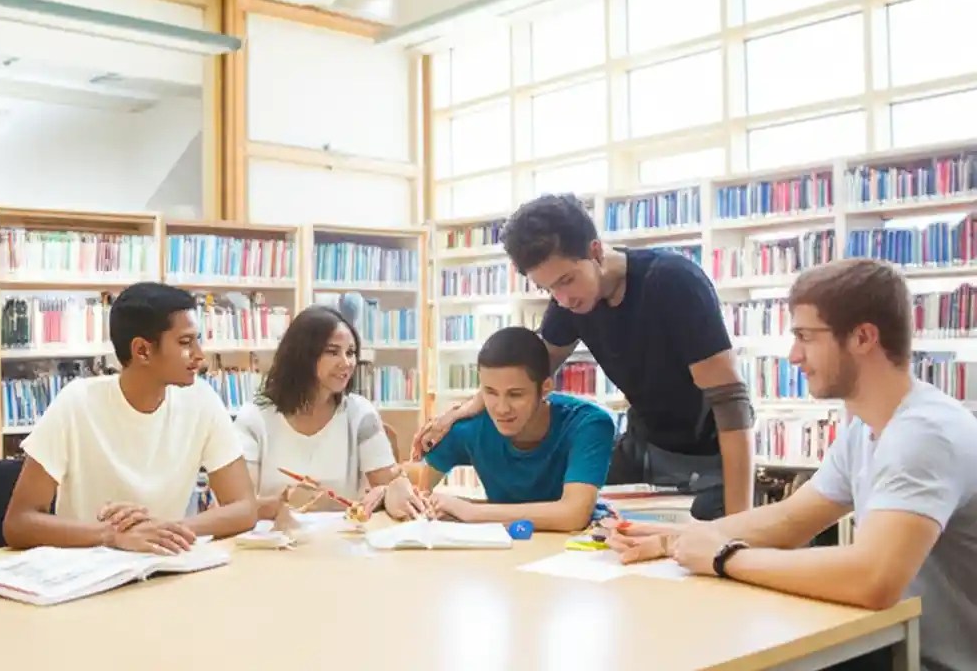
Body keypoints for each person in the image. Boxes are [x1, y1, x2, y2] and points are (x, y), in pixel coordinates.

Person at [606, 259, 977, 671]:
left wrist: (723, 557)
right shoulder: (867, 430)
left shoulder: (924, 434)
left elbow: (874, 578)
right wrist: (675, 540)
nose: (794, 356)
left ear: (863, 337)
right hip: (889, 644)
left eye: (805, 336)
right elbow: (790, 520)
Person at [413, 195, 754, 520]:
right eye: (549, 290)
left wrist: (742, 519)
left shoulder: (672, 281)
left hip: (712, 459)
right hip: (643, 447)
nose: (562, 299)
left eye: (566, 281)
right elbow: (527, 370)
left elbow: (730, 400)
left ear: (595, 252)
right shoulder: (570, 303)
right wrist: (462, 411)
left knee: (705, 536)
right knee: (586, 520)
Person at [3, 282, 257, 555]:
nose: (200, 355)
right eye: (185, 342)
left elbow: (244, 508)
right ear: (142, 351)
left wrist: (165, 531)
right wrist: (110, 535)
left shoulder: (201, 400)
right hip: (88, 568)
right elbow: (19, 524)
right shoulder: (76, 403)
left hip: (162, 565)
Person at [406, 326, 617, 531]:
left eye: (515, 394)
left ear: (545, 388)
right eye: (490, 392)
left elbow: (573, 514)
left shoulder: (588, 424)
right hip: (504, 550)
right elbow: (419, 489)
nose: (501, 409)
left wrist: (472, 512)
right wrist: (398, 489)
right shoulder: (470, 428)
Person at [233, 305, 421, 520]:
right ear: (303, 355)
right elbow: (237, 507)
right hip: (274, 544)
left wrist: (396, 489)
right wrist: (283, 502)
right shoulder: (255, 417)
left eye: (351, 353)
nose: (347, 363)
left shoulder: (360, 414)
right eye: (332, 352)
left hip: (345, 544)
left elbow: (386, 484)